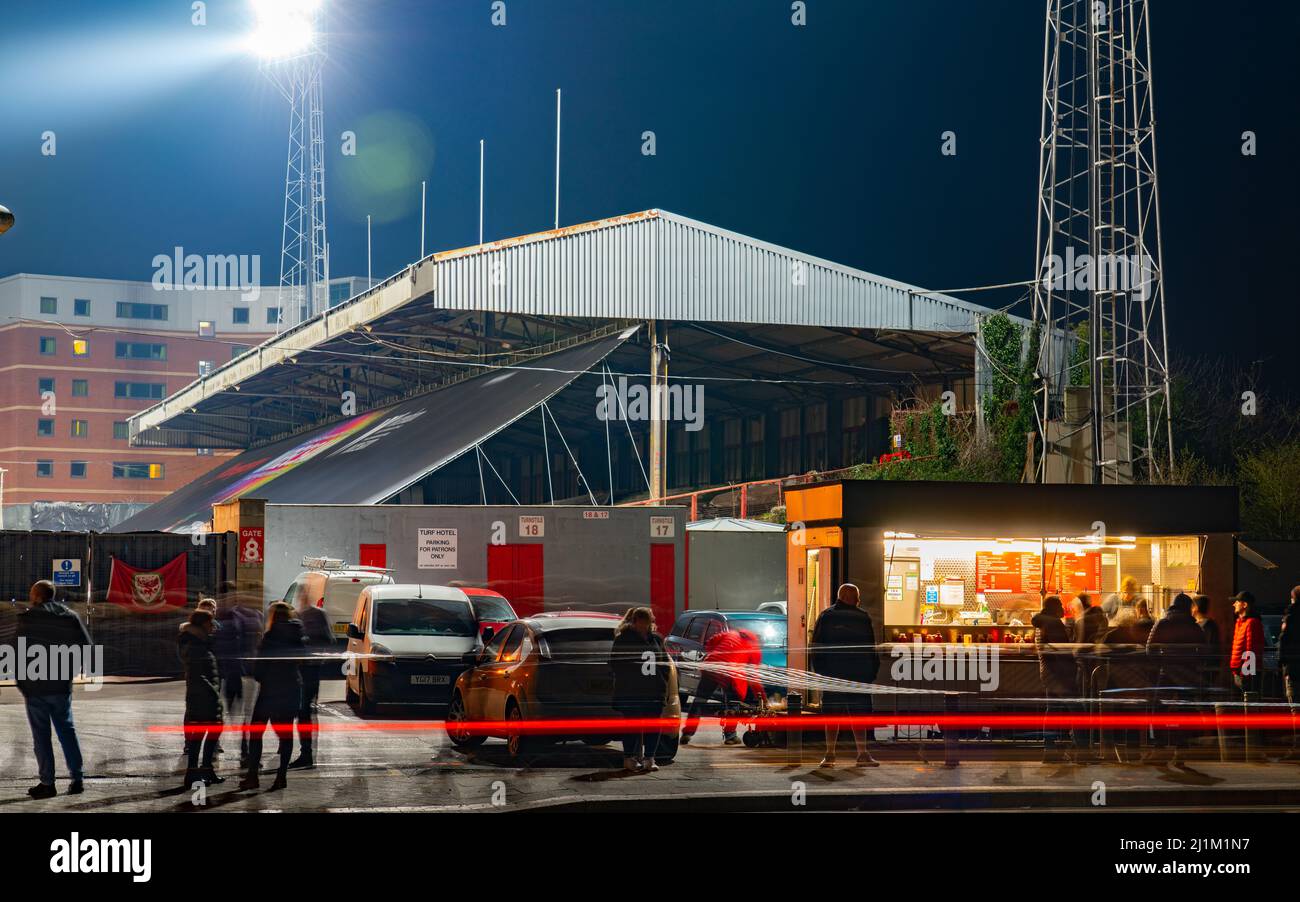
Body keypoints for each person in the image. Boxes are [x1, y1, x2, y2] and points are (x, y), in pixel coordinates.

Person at [17, 580, 92, 799]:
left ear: (37, 596)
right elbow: (86, 647)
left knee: (41, 736)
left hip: (36, 686)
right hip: (60, 685)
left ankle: (47, 783)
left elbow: (17, 652)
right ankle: (77, 778)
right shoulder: (69, 616)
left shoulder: (29, 618)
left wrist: (23, 682)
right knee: (67, 731)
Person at [809, 583, 880, 768]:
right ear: (853, 598)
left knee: (832, 716)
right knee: (859, 715)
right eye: (857, 597)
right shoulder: (862, 617)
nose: (859, 600)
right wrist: (872, 672)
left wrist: (821, 672)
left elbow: (816, 646)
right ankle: (862, 753)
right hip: (858, 676)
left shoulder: (826, 616)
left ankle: (830, 754)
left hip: (833, 675)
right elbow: (870, 648)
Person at [240, 602, 305, 791]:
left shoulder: (269, 636)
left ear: (273, 616)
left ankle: (253, 775)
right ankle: (281, 776)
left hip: (269, 692)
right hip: (292, 689)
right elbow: (302, 660)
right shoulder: (297, 635)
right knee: (285, 735)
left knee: (256, 732)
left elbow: (259, 670)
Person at [1146, 592, 1205, 765]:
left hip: (1166, 672)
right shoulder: (1194, 627)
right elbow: (1204, 650)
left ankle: (1159, 746)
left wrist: (1160, 663)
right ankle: (1181, 748)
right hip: (1188, 674)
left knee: (1158, 709)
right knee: (1185, 711)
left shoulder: (1163, 623)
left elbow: (1150, 649)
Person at [610, 607, 671, 772]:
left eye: (649, 621)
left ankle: (649, 758)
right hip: (632, 692)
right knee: (633, 725)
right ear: (635, 621)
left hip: (654, 691)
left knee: (653, 725)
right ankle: (629, 758)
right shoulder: (624, 639)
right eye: (644, 621)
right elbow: (616, 664)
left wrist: (662, 684)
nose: (647, 624)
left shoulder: (656, 639)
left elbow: (665, 664)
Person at [681, 626, 764, 746]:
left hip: (711, 666)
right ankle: (730, 736)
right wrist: (763, 698)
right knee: (733, 703)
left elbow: (710, 642)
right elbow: (754, 678)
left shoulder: (730, 634)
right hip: (730, 673)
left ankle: (687, 733)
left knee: (699, 700)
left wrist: (715, 655)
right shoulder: (754, 649)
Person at [178, 609, 224, 788]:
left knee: (209, 732)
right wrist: (213, 694)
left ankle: (202, 770)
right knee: (204, 733)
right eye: (210, 622)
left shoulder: (200, 642)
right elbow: (199, 674)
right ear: (202, 624)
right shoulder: (196, 644)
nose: (213, 626)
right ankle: (198, 771)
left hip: (203, 695)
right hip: (203, 697)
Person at [292, 586, 333, 769]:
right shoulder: (297, 615)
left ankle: (307, 753)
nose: (302, 598)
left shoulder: (317, 614)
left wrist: (307, 640)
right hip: (302, 669)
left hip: (311, 669)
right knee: (303, 711)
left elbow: (329, 639)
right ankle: (306, 752)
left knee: (304, 711)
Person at [1032, 595, 1075, 763]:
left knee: (1053, 711)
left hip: (1048, 672)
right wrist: (1072, 670)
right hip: (1059, 673)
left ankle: (1050, 750)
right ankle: (1078, 749)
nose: (1063, 609)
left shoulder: (1041, 623)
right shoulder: (1054, 623)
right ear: (1054, 608)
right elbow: (1062, 650)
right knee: (1075, 709)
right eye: (1061, 606)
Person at [1278, 586, 1300, 760]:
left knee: (1296, 708)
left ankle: (1297, 747)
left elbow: (1284, 642)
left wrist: (1282, 664)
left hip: (1294, 669)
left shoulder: (1291, 617)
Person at [1229, 590, 1264, 697]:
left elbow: (1251, 650)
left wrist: (1246, 674)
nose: (1233, 604)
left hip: (1245, 675)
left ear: (1244, 605)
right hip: (1239, 673)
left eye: (1237, 601)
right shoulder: (1240, 623)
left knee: (1248, 706)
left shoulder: (1252, 623)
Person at [1192, 594, 1225, 690]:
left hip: (1205, 670)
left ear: (1196, 608)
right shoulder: (1211, 625)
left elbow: (1212, 649)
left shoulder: (1208, 627)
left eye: (1192, 606)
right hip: (1206, 670)